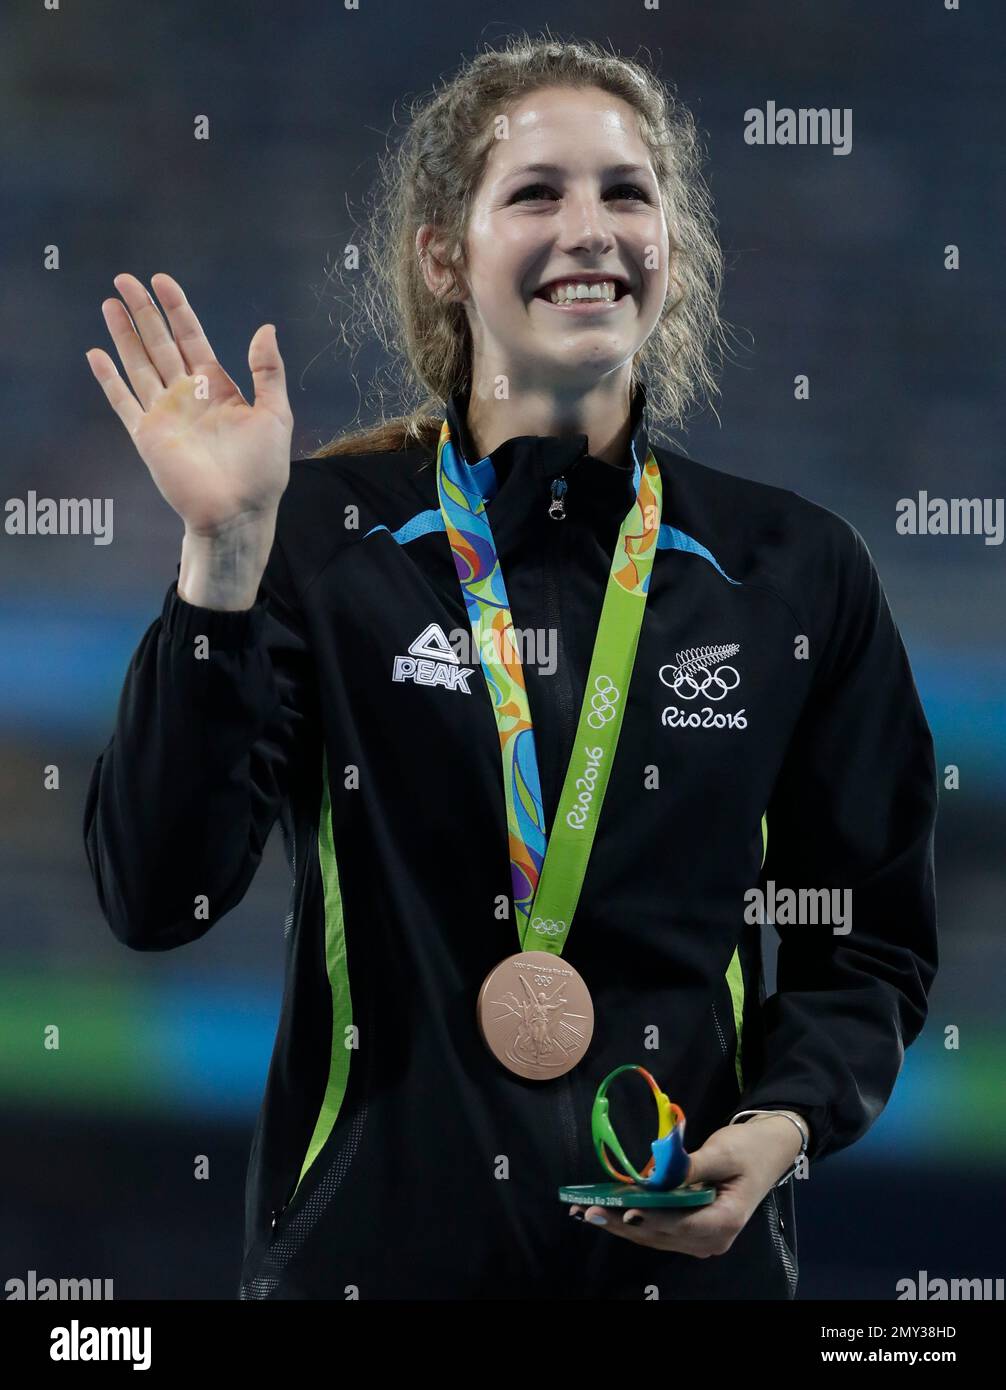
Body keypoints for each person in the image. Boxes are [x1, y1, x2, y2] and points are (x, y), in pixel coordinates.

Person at [82, 35, 938, 1300]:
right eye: (536, 193)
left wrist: (787, 1123)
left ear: (671, 248)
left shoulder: (792, 571)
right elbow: (159, 897)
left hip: (685, 1277)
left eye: (625, 192)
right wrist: (222, 553)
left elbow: (863, 938)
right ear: (445, 252)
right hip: (370, 1269)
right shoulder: (321, 539)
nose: (589, 228)